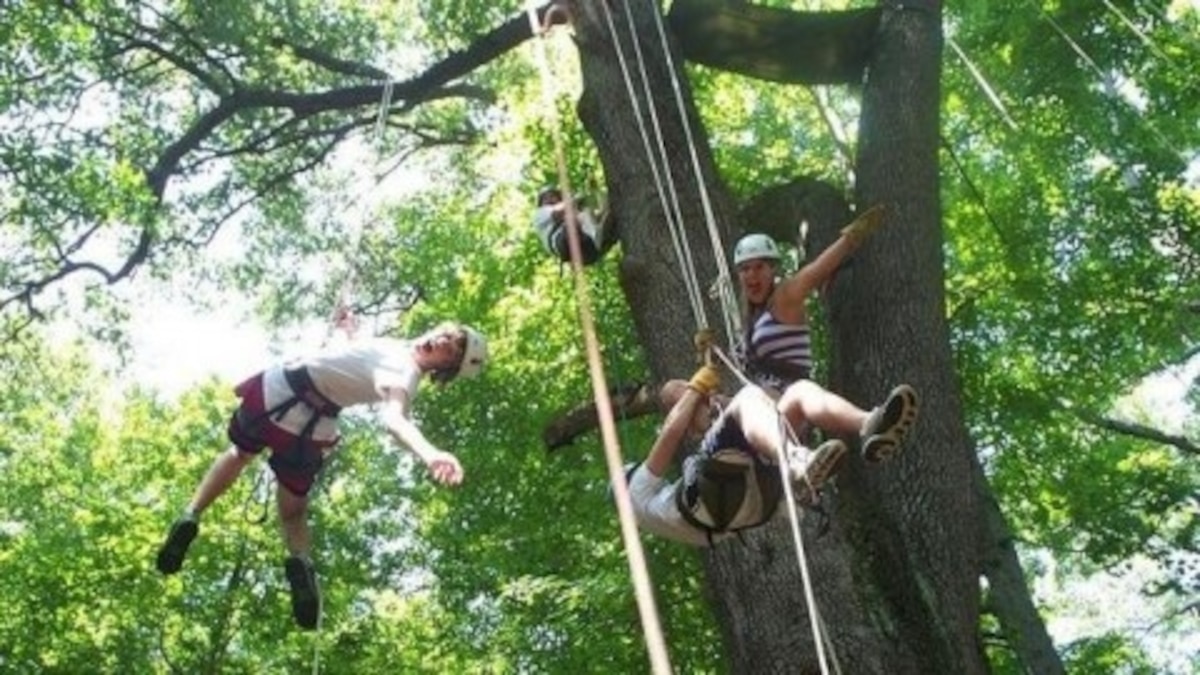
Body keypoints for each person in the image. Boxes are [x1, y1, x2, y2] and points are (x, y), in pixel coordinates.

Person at [154, 311, 488, 630]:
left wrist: (431, 454)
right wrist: (349, 326)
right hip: (313, 425)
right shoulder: (392, 348)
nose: (444, 342)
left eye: (452, 350)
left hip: (279, 391)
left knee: (240, 453)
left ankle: (191, 515)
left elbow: (394, 419)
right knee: (293, 512)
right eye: (448, 336)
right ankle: (301, 561)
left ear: (443, 368)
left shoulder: (405, 371)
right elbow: (357, 351)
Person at [623, 365, 916, 547]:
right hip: (719, 495)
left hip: (745, 501)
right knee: (749, 396)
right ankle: (797, 463)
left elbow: (760, 415)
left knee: (798, 393)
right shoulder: (633, 494)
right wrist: (695, 388)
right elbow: (670, 434)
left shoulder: (659, 512)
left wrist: (712, 400)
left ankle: (870, 423)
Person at [732, 206, 916, 461]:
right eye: (745, 269)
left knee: (803, 390)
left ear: (773, 270)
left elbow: (815, 271)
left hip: (783, 415)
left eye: (759, 267)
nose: (752, 275)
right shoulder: (750, 322)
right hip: (755, 423)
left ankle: (872, 422)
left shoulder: (784, 297)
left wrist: (851, 239)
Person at [531, 186, 608, 265]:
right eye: (545, 198)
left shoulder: (571, 212)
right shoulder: (540, 213)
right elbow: (557, 212)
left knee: (586, 213)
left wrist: (597, 193)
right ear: (541, 202)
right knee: (575, 217)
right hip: (562, 241)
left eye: (553, 196)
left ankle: (597, 238)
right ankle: (596, 238)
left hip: (583, 246)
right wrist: (575, 199)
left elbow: (592, 220)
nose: (549, 199)